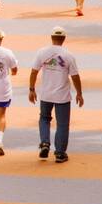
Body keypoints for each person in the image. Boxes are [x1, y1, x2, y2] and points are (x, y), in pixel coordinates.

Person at [29, 26, 83, 163]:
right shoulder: (68, 55)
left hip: (46, 94)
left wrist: (31, 89)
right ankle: (60, 153)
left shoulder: (42, 52)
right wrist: (79, 93)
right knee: (62, 125)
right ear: (64, 39)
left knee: (44, 119)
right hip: (62, 96)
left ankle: (45, 143)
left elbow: (34, 71)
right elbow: (75, 76)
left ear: (51, 37)